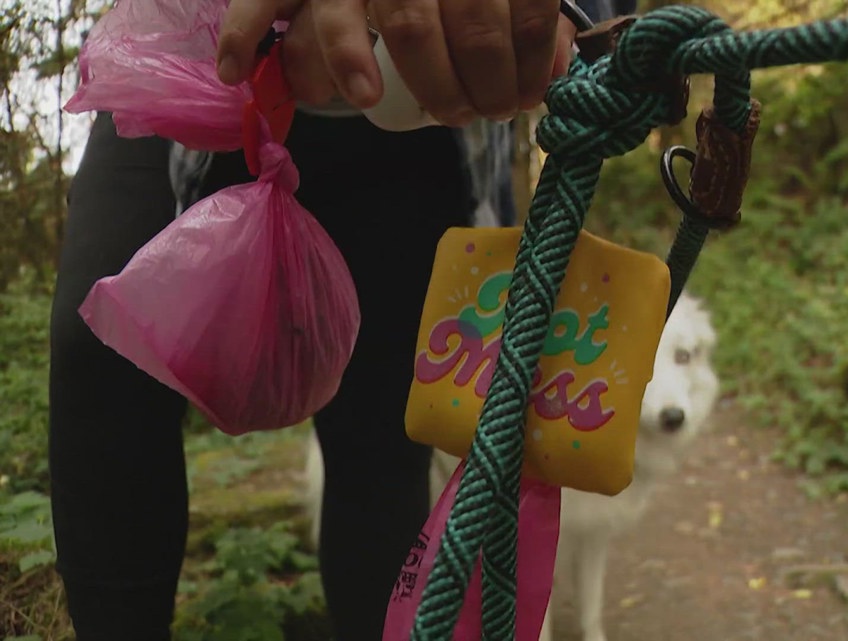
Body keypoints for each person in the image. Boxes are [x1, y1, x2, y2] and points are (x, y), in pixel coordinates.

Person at [48, 0, 629, 638]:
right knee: (100, 358)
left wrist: (574, 11)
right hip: (189, 61)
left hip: (418, 99)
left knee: (382, 435)